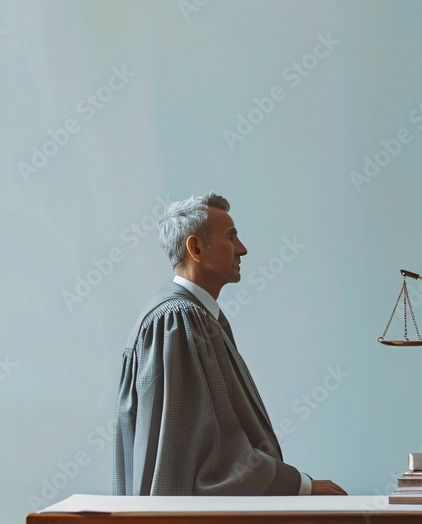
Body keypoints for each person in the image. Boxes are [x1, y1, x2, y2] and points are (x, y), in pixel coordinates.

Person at [113, 193, 346, 496]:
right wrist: (301, 486)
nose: (243, 249)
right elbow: (202, 457)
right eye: (231, 237)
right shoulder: (178, 321)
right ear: (195, 248)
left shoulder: (191, 317)